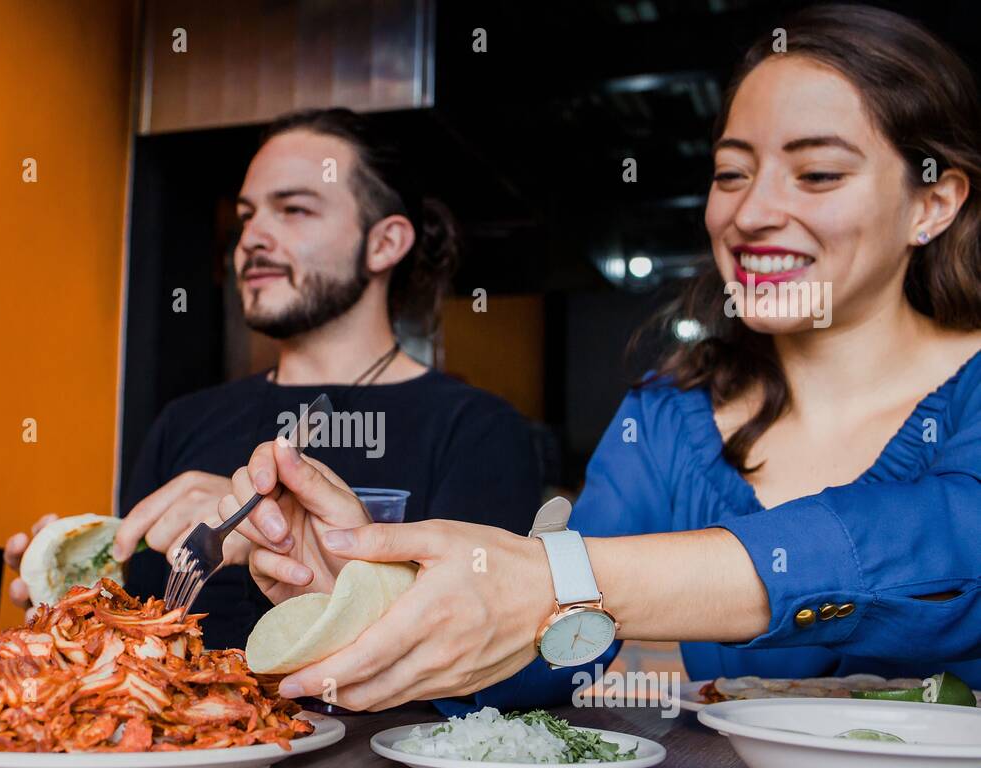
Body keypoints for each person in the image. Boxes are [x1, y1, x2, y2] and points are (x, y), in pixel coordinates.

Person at [224, 5, 981, 712]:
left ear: (932, 202)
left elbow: (945, 537)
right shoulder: (665, 419)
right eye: (731, 173)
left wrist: (568, 578)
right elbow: (559, 651)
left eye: (817, 174)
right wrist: (374, 602)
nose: (750, 214)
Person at [6, 108, 542, 649]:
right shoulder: (184, 421)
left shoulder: (477, 430)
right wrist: (72, 601)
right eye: (246, 216)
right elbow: (136, 627)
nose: (251, 238)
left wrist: (281, 538)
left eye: (293, 210)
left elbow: (489, 653)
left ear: (384, 244)